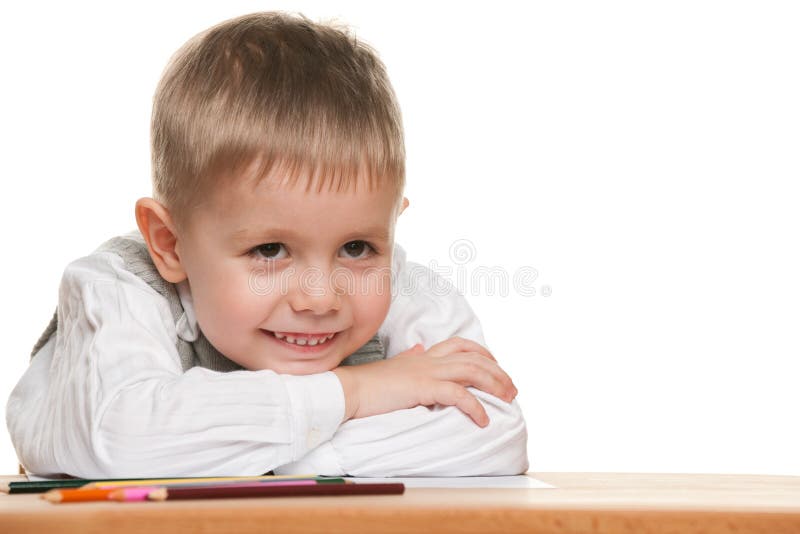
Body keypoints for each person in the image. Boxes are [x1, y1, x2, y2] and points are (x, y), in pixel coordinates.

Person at [6, 11, 528, 478]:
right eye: (270, 251)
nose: (321, 298)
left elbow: (494, 434)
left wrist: (286, 460)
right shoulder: (117, 286)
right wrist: (359, 392)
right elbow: (120, 437)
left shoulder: (405, 287)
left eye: (356, 247)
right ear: (169, 244)